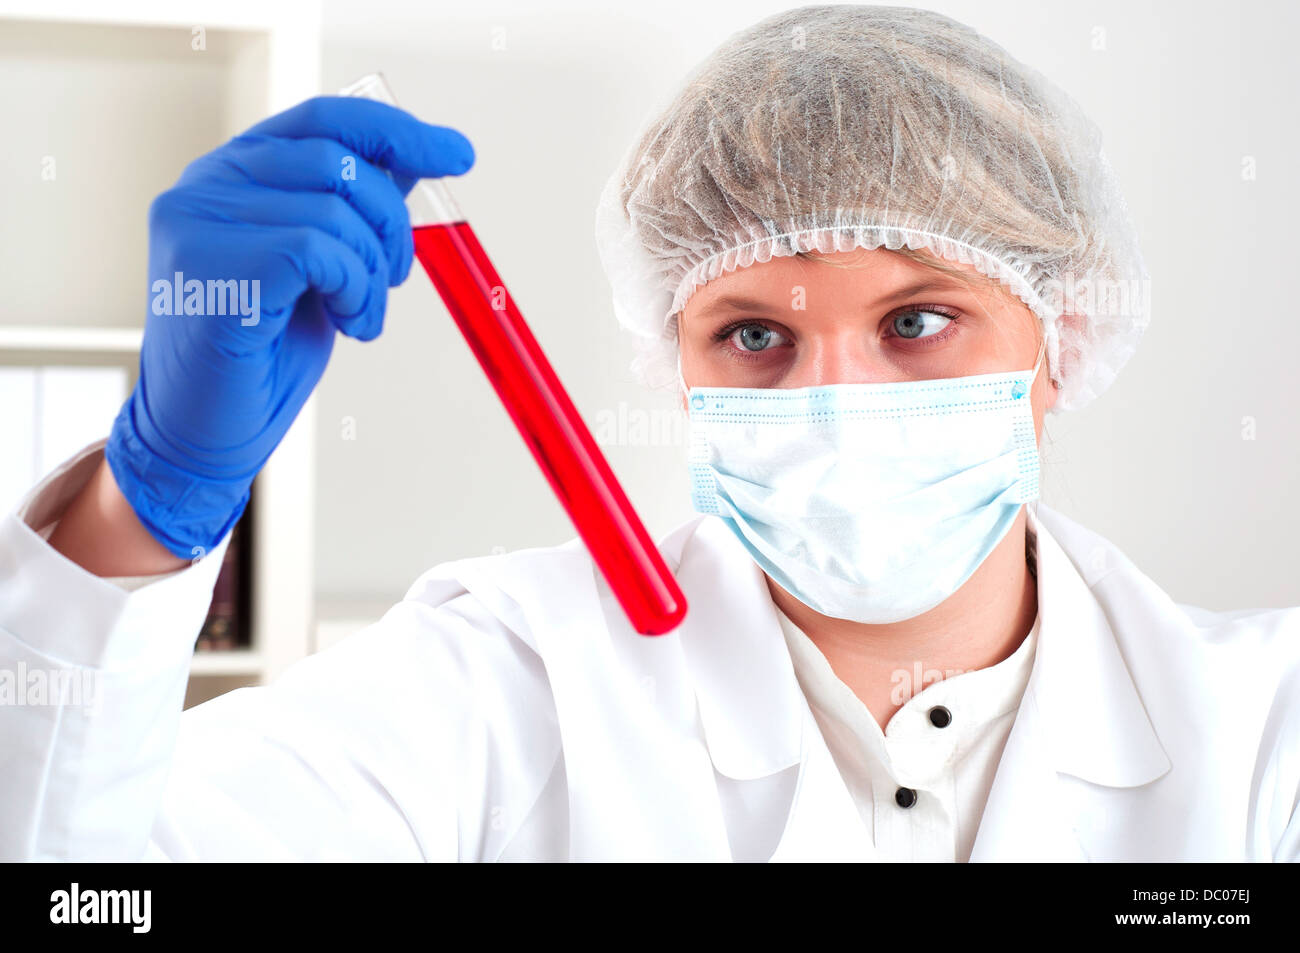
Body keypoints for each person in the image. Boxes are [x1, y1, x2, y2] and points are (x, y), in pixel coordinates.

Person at [2, 4, 1297, 862]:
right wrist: (142, 502)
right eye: (753, 333)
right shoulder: (504, 685)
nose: (827, 396)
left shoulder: (1261, 737)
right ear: (669, 359)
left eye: (916, 320)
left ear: (1060, 341)